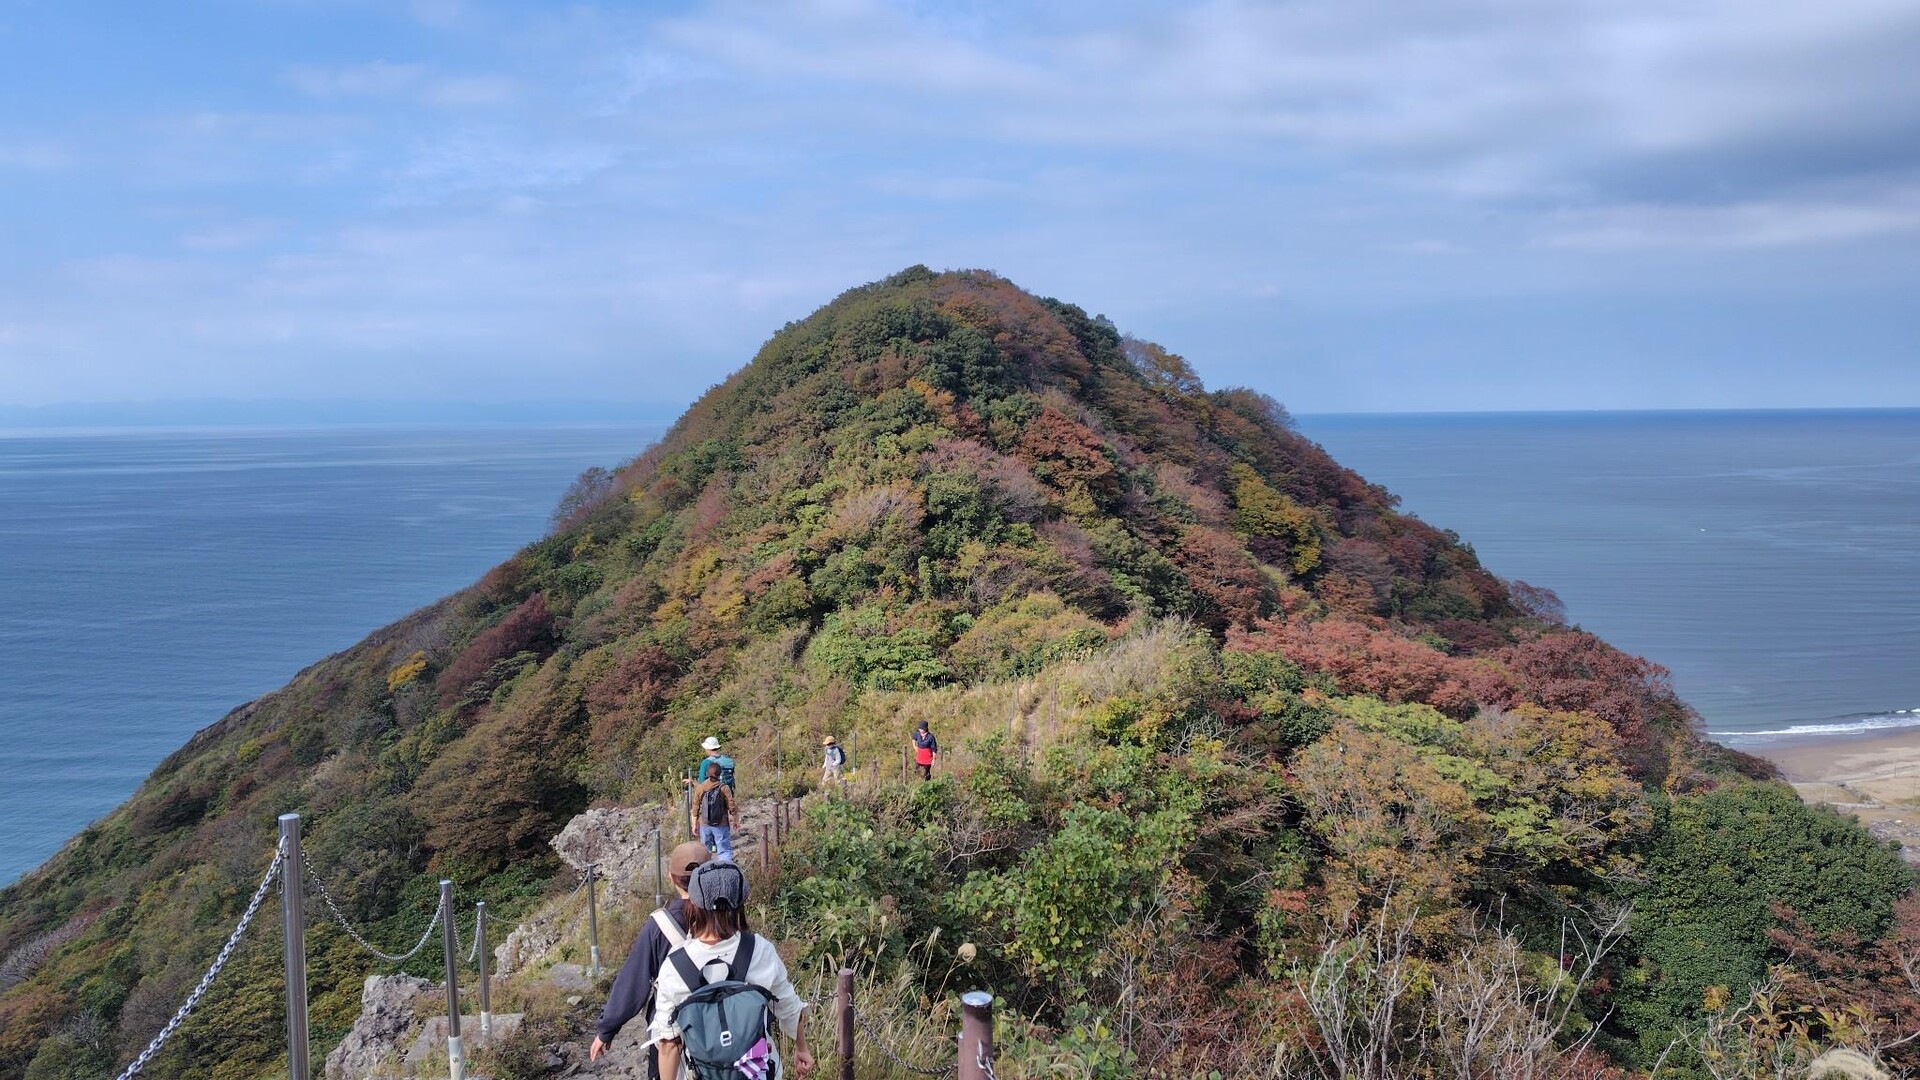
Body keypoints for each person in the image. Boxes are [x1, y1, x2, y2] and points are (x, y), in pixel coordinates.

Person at [651, 861, 813, 1080]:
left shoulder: (676, 965)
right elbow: (788, 1006)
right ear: (740, 904)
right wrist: (801, 1048)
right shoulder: (759, 950)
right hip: (757, 1073)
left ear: (694, 905)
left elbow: (669, 1043)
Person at [589, 841, 714, 1075]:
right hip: (723, 1024)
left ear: (671, 877)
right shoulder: (726, 916)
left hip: (671, 1031)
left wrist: (606, 1030)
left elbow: (633, 982)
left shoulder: (659, 926)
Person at [690, 761, 737, 862]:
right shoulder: (724, 788)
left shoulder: (700, 788)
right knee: (724, 851)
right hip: (721, 824)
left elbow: (695, 808)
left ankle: (707, 873)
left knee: (705, 852)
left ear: (707, 774)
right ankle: (726, 872)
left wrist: (694, 825)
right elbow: (731, 806)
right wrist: (735, 820)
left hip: (705, 824)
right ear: (720, 774)